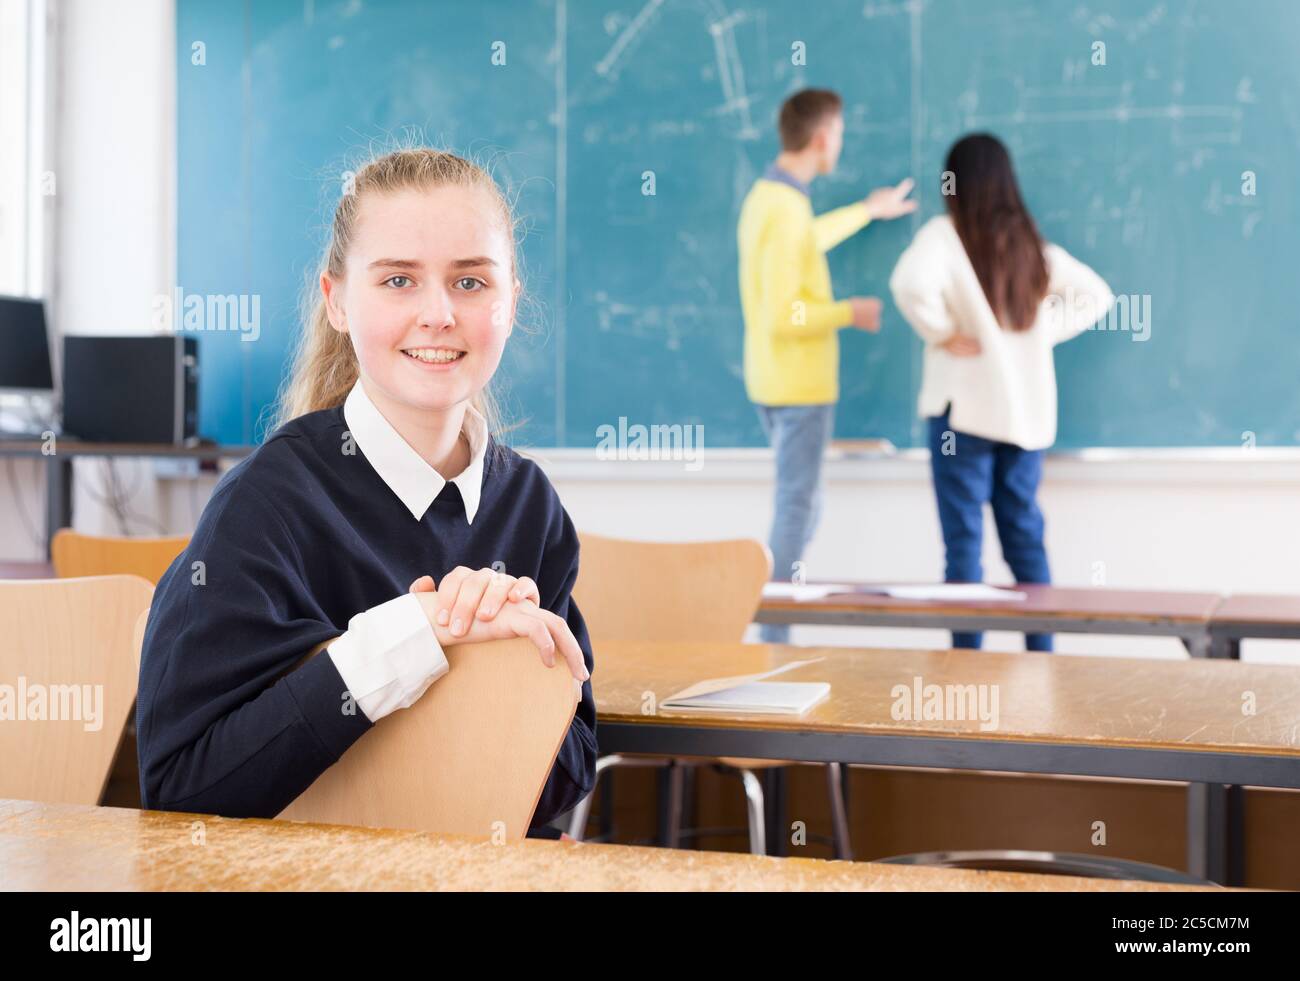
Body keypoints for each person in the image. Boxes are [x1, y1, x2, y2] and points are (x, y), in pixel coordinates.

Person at [137, 147, 595, 836]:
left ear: (510, 304)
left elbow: (569, 773)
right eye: (399, 281)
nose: (439, 313)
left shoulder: (531, 505)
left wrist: (498, 658)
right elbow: (181, 788)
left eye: (471, 282)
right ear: (338, 302)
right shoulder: (266, 507)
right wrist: (412, 636)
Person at [890, 133, 1114, 651]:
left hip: (962, 415)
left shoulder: (944, 236)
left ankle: (966, 668)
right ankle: (1043, 657)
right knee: (1024, 537)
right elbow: (1096, 295)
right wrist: (1038, 334)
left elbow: (908, 284)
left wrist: (941, 331)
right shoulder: (1030, 244)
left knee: (963, 544)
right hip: (1022, 418)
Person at [738, 87, 916, 643]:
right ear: (821, 138)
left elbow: (806, 243)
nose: (840, 142)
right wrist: (849, 312)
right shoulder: (786, 210)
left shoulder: (770, 199)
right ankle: (772, 638)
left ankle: (774, 631)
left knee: (802, 507)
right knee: (796, 510)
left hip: (775, 379)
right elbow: (784, 314)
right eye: (838, 133)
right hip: (800, 385)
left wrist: (867, 210)